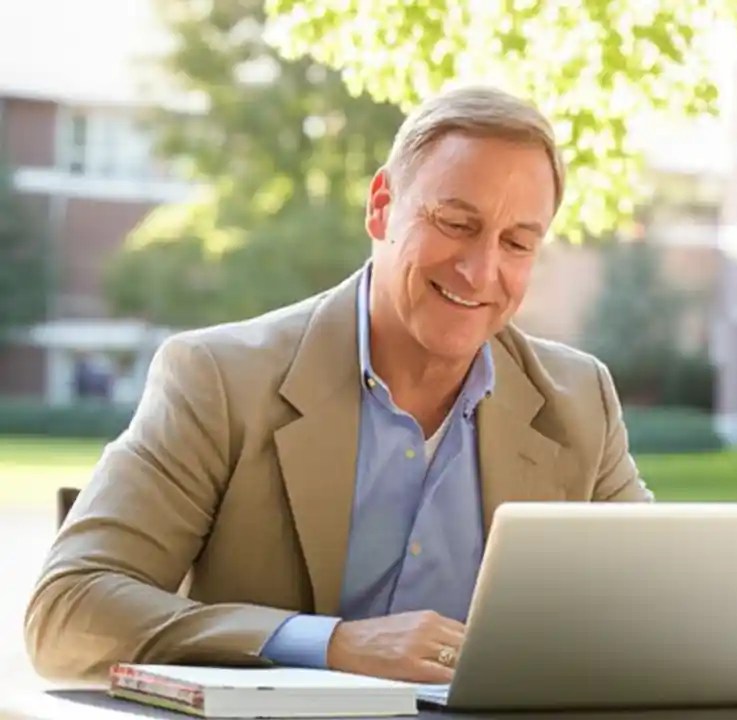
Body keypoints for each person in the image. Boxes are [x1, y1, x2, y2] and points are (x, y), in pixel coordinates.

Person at [25, 86, 652, 685]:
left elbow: (666, 602)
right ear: (381, 205)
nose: (481, 269)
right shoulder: (219, 381)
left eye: (517, 242)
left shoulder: (577, 399)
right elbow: (67, 612)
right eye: (456, 223)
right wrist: (329, 644)